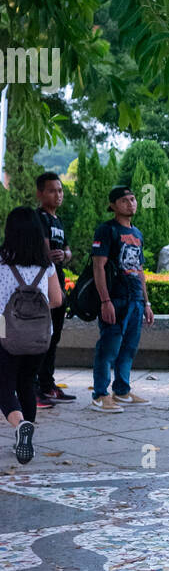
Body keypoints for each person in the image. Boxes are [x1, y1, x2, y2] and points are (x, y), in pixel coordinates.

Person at [0, 206, 64, 463]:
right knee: (27, 382)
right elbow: (57, 300)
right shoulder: (46, 264)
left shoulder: (1, 261)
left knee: (3, 384)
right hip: (40, 334)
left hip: (4, 327)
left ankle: (19, 426)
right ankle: (27, 434)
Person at [90, 186, 154, 412]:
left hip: (135, 300)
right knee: (108, 348)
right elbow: (99, 266)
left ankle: (122, 390)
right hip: (115, 299)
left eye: (134, 199)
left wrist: (146, 303)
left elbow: (139, 269)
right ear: (113, 205)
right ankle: (100, 395)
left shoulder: (137, 234)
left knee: (129, 348)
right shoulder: (106, 230)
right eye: (125, 200)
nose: (131, 203)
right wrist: (105, 301)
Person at [34, 170, 76, 408]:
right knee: (41, 337)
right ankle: (34, 388)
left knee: (54, 337)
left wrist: (65, 255)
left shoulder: (58, 221)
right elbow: (43, 250)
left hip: (58, 284)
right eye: (52, 190)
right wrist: (50, 254)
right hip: (41, 287)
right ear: (40, 193)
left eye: (60, 190)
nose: (58, 195)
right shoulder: (37, 218)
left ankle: (48, 384)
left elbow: (68, 251)